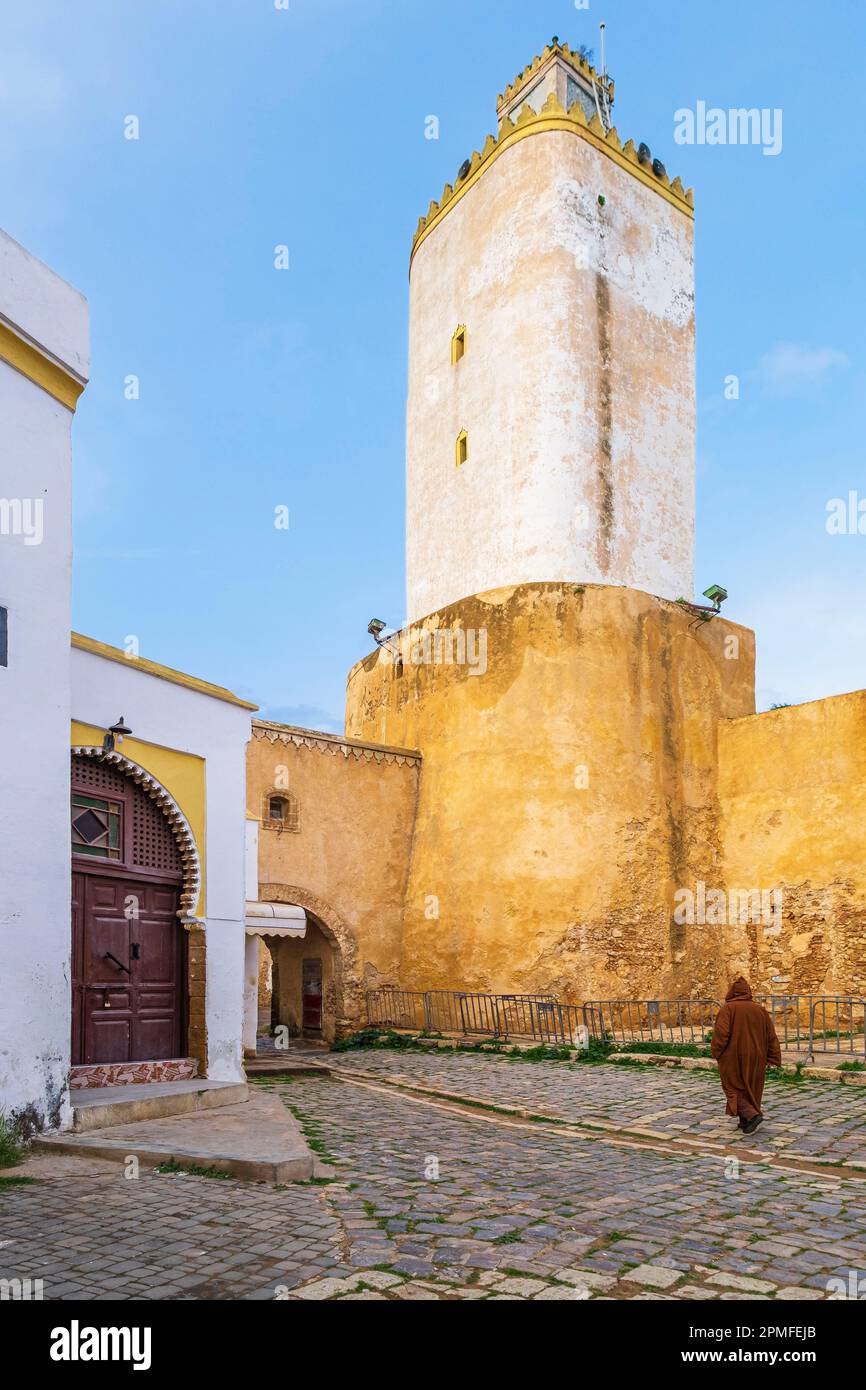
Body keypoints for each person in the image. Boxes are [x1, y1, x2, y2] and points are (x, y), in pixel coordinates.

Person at [711, 977, 782, 1135]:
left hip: (733, 1056)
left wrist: (716, 1051)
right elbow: (770, 1035)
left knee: (733, 1086)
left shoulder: (728, 1009)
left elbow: (722, 1034)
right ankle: (744, 1121)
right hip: (757, 1056)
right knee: (752, 1086)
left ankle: (752, 1115)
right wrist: (773, 1056)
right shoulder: (760, 1010)